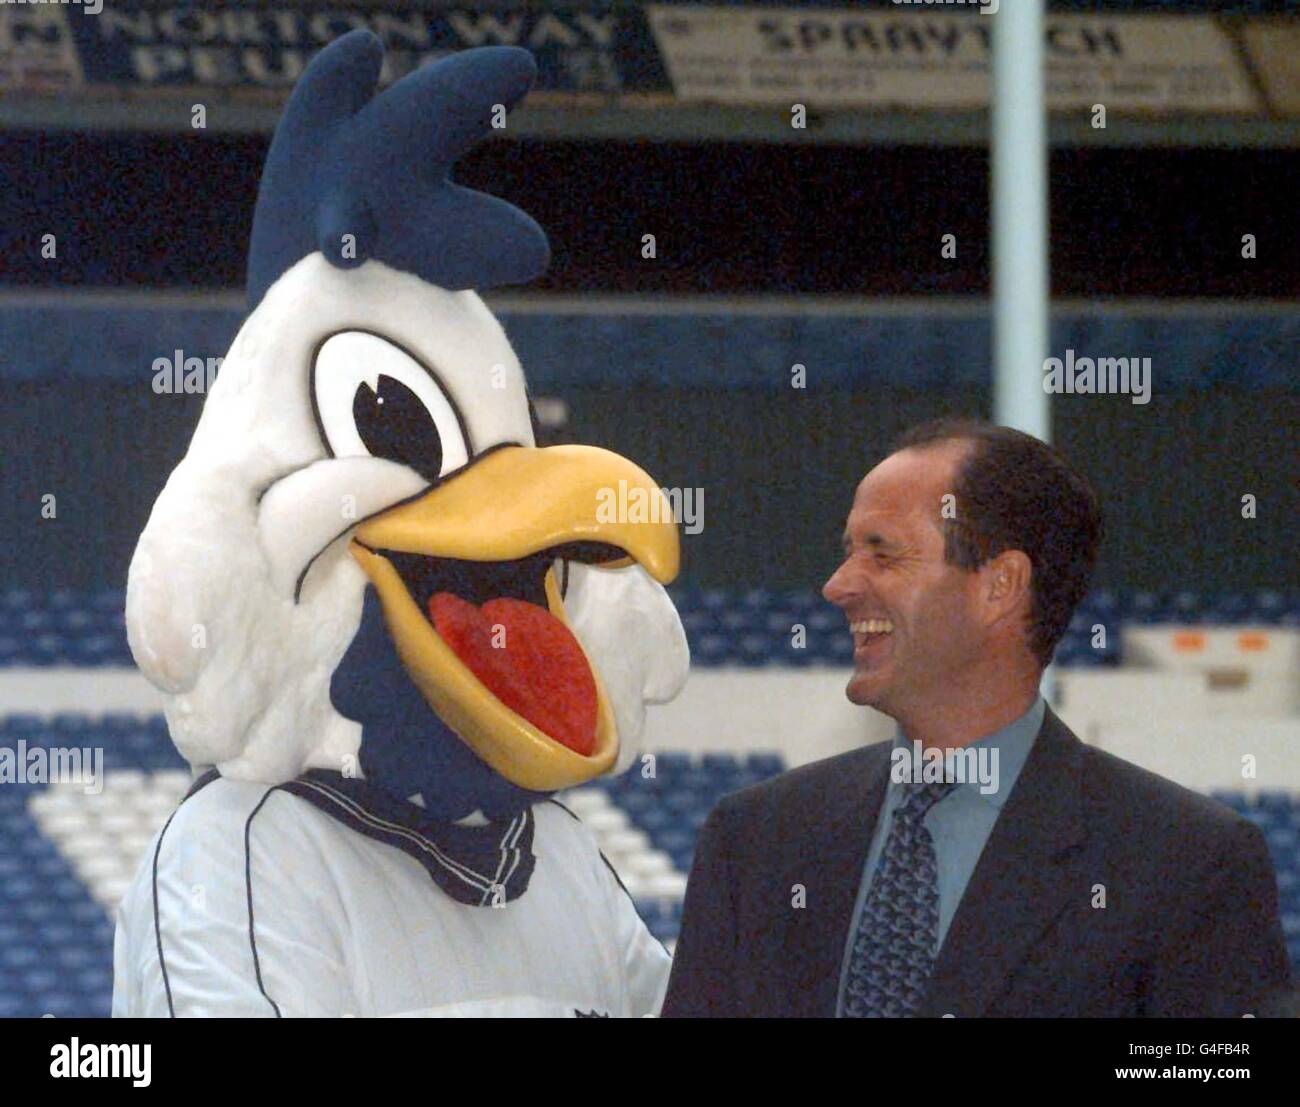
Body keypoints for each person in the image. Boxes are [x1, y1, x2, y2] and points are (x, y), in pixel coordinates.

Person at [662, 418, 1291, 1017]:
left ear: (1000, 587)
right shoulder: (754, 840)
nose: (838, 585)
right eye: (849, 551)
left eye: (882, 554)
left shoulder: (1186, 862)